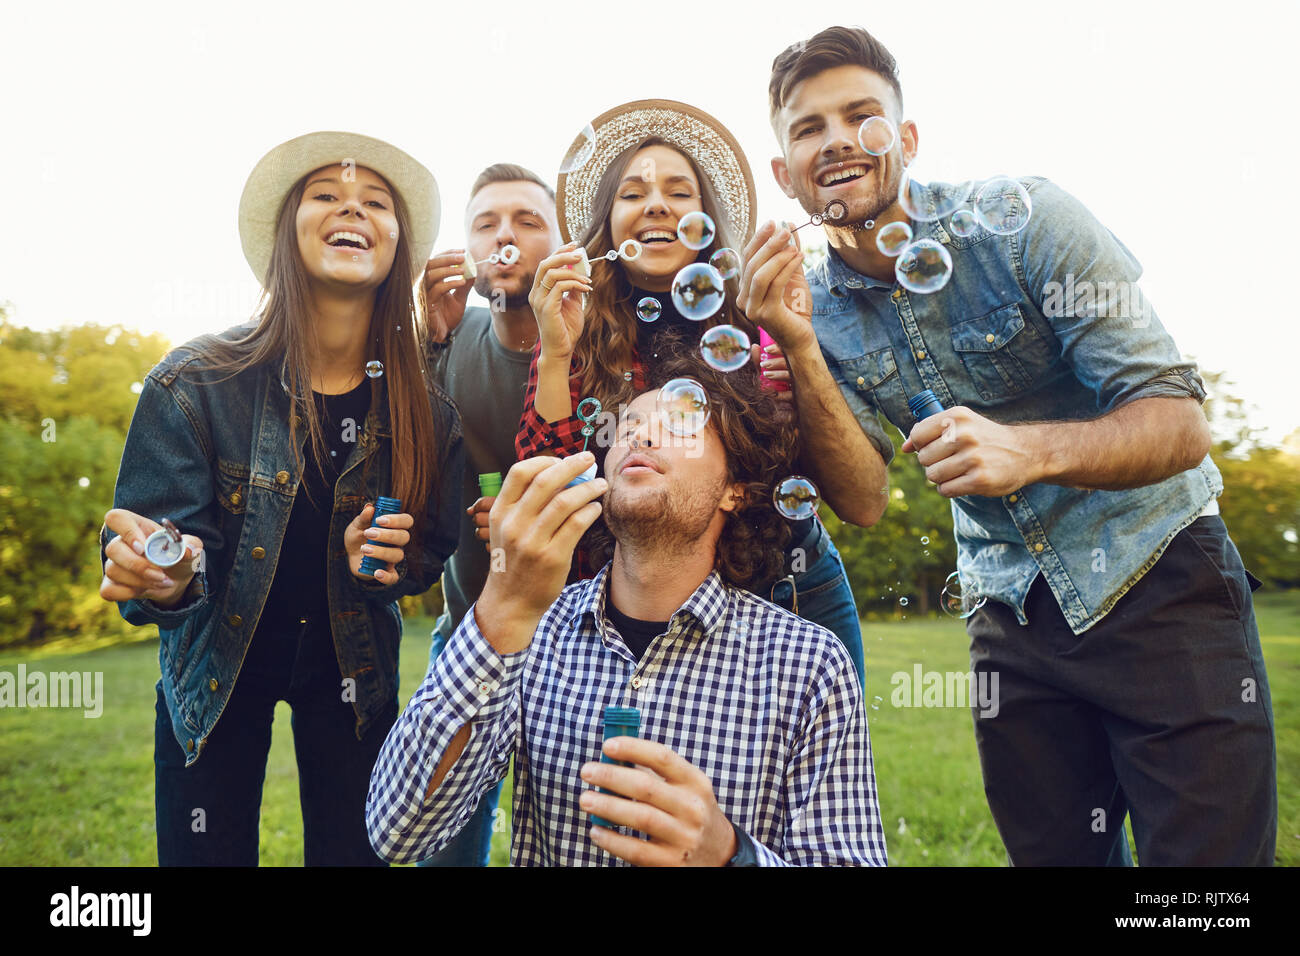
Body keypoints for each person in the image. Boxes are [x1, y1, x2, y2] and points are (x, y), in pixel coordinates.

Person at [753, 25, 1277, 865]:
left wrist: (1029, 452)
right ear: (783, 171)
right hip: (1008, 617)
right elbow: (861, 498)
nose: (838, 140)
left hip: (1159, 577)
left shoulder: (1029, 223)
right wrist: (799, 345)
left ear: (907, 137)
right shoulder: (813, 309)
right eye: (809, 128)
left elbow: (1179, 422)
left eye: (861, 115)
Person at [367, 347, 887, 866]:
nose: (641, 434)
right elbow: (399, 833)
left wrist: (729, 855)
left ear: (734, 489)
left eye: (680, 423)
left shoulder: (810, 664)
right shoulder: (530, 633)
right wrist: (504, 602)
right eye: (628, 426)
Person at [98, 131, 464, 866]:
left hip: (352, 670)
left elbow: (430, 546)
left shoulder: (428, 411)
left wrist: (384, 563)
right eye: (325, 195)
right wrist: (167, 576)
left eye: (374, 202)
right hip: (216, 667)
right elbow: (161, 552)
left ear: (400, 244)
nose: (349, 209)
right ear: (287, 232)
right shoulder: (193, 383)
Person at [516, 98, 889, 689]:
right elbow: (548, 485)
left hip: (786, 588)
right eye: (632, 193)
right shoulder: (573, 324)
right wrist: (557, 352)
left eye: (679, 191)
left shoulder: (756, 316)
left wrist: (798, 375)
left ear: (706, 217)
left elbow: (838, 491)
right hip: (631, 606)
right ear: (608, 222)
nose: (657, 203)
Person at [414, 163, 563, 866]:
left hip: (584, 651)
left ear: (564, 244)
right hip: (470, 637)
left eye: (528, 221)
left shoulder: (600, 343)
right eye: (486, 224)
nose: (505, 236)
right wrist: (425, 343)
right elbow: (392, 468)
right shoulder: (446, 338)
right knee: (443, 849)